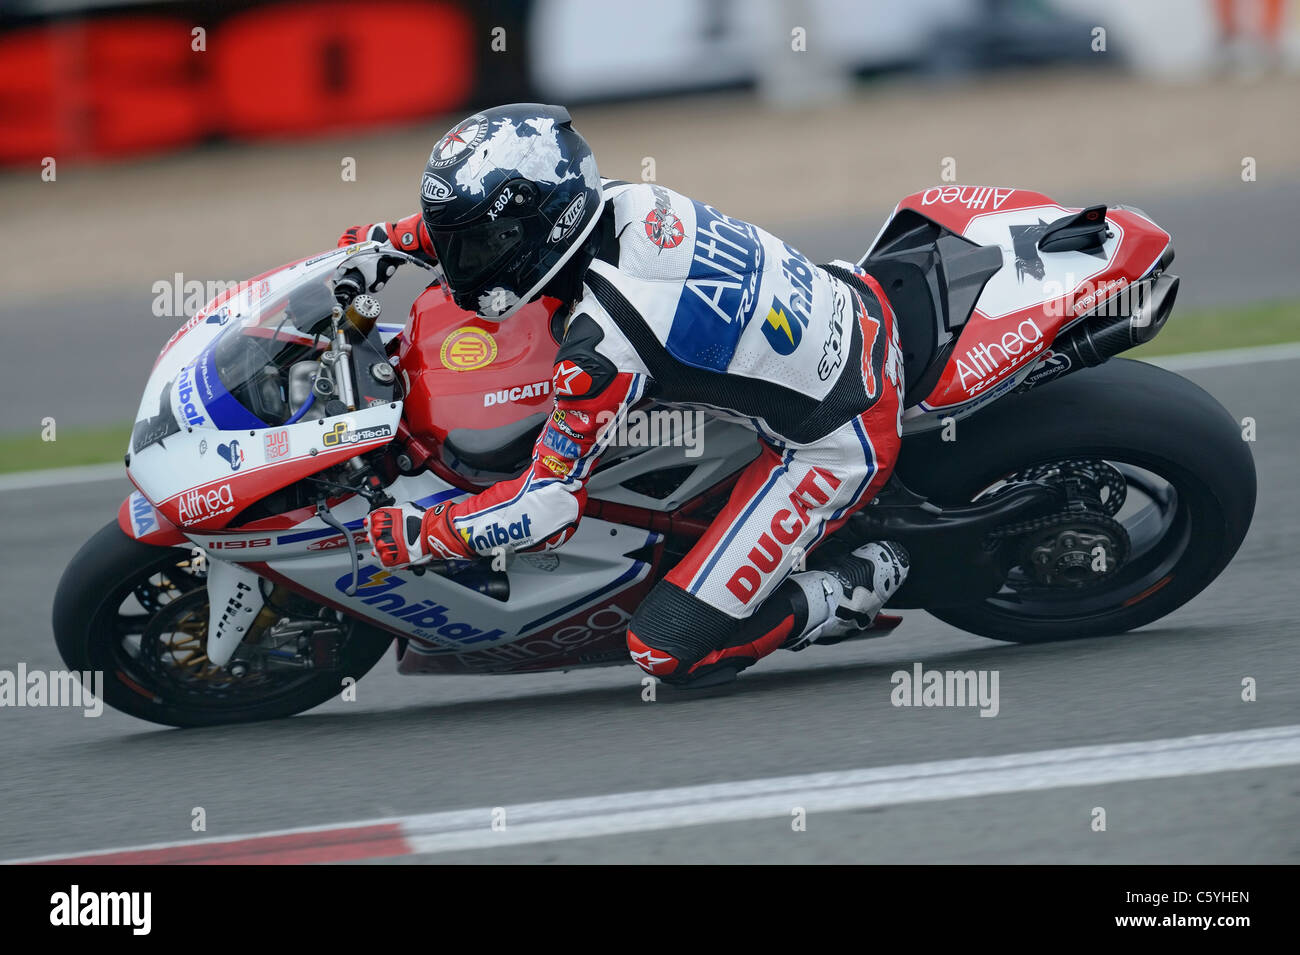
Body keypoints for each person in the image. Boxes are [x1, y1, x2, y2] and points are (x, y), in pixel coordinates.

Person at [342, 103, 909, 688]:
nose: (465, 264)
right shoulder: (613, 200)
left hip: (839, 431)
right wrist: (380, 244)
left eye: (479, 246)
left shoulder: (603, 344)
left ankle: (842, 592)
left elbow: (546, 510)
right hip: (847, 296)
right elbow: (497, 223)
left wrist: (424, 533)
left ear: (542, 232)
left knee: (663, 652)